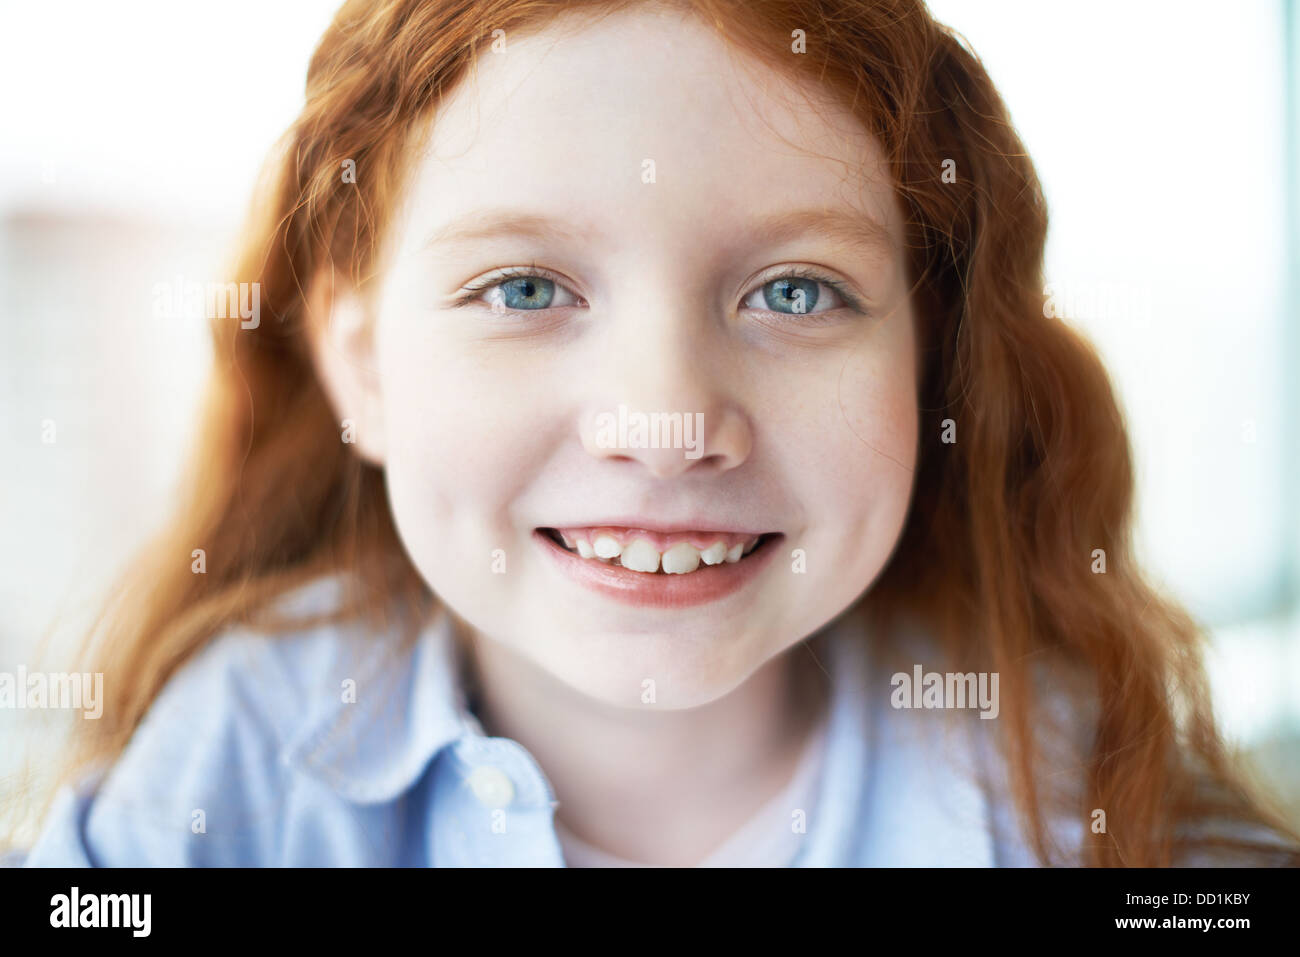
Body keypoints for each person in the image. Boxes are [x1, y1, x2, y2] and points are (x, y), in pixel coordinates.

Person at [16, 0, 1300, 866]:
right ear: (363, 373)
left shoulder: (1076, 800)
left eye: (794, 291)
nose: (669, 424)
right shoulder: (239, 756)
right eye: (525, 290)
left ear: (933, 365)